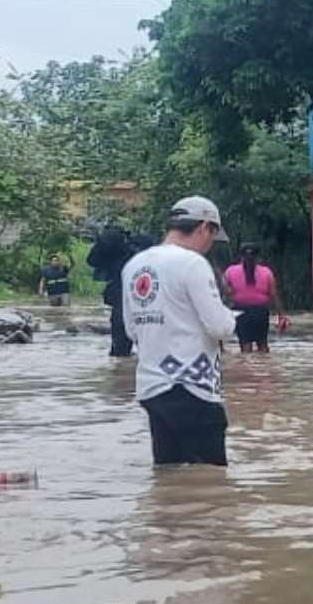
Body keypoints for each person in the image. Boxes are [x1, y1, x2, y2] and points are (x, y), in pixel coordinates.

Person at [123, 197, 239, 467]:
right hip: (192, 388)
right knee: (210, 486)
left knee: (170, 478)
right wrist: (232, 319)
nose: (210, 245)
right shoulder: (193, 264)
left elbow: (131, 330)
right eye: (212, 236)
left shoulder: (133, 266)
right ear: (204, 228)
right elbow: (219, 327)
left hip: (152, 389)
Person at [221, 243, 289, 353]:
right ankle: (262, 368)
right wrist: (281, 316)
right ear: (258, 258)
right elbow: (274, 295)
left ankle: (248, 369)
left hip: (241, 313)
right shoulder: (266, 272)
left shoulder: (230, 271)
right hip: (260, 313)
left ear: (240, 257)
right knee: (263, 345)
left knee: (245, 348)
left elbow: (225, 293)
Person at [87, 225, 142, 357]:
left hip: (122, 293)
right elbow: (92, 261)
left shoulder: (113, 250)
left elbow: (92, 261)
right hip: (136, 293)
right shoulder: (130, 248)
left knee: (120, 346)